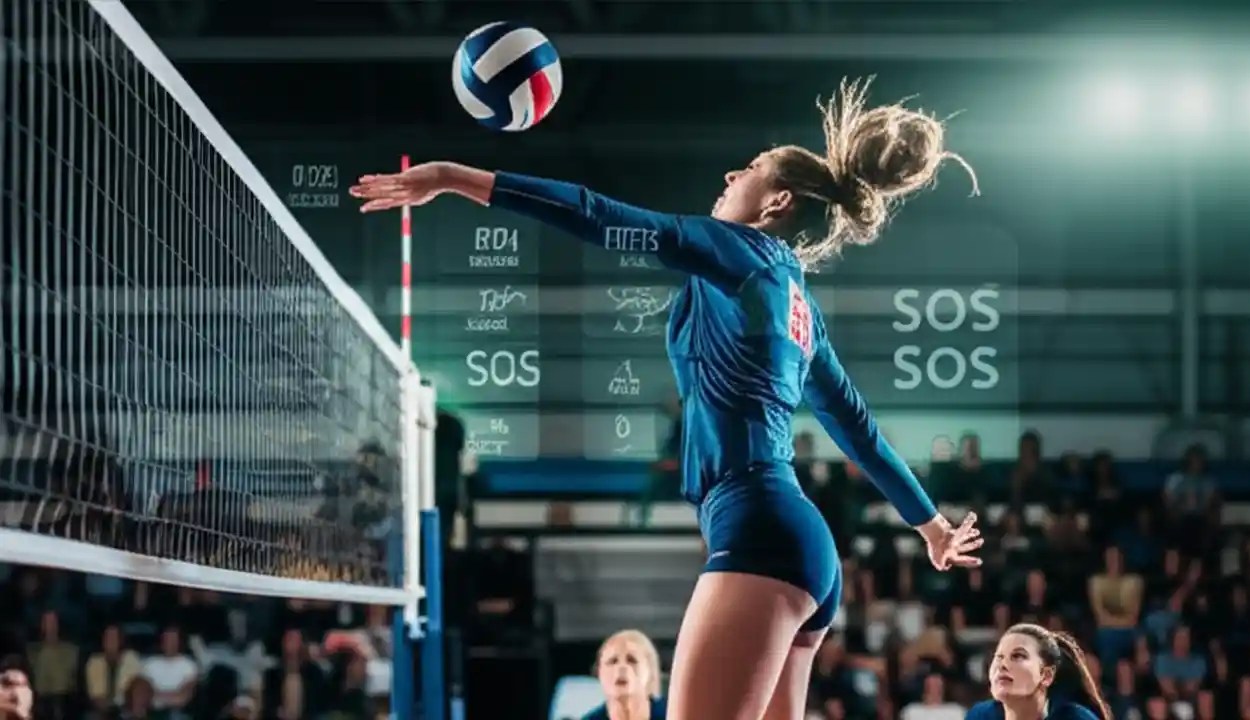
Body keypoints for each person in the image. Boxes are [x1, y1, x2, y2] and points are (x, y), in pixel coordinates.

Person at [351, 76, 984, 720]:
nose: (734, 172)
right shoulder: (800, 308)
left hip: (759, 531)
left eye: (752, 169)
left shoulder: (737, 252)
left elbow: (599, 215)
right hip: (800, 548)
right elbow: (857, 428)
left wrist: (456, 176)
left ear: (775, 203)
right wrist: (927, 523)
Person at [967, 624, 1112, 720]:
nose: (1002, 665)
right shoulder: (980, 715)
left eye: (1018, 656)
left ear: (1046, 675)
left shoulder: (1074, 718)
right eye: (999, 657)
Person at [583, 630, 667, 720]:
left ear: (651, 671)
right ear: (599, 673)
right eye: (612, 661)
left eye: (631, 660)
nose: (621, 667)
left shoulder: (674, 713)